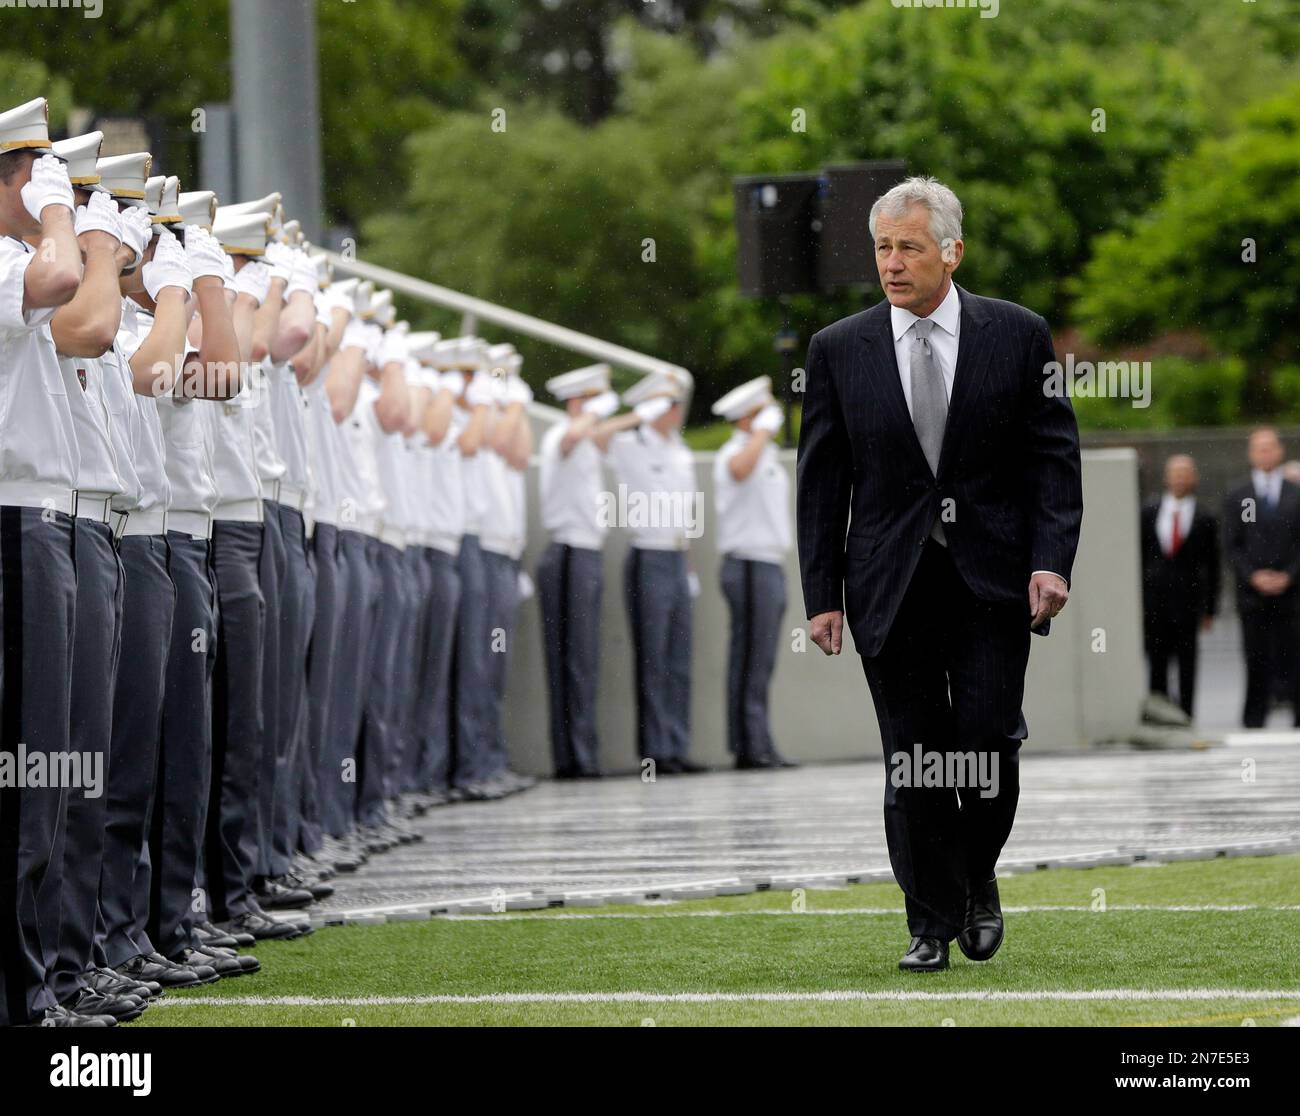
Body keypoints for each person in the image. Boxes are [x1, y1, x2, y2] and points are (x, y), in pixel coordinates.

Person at [796, 176, 1082, 972]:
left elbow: (1054, 460)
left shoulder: (1019, 336)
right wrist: (822, 596)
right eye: (883, 247)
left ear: (952, 252)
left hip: (992, 581)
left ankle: (977, 875)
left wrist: (1051, 561)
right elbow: (822, 482)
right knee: (912, 757)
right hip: (889, 584)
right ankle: (929, 923)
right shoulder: (837, 348)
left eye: (909, 247)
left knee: (988, 743)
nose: (892, 263)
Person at [0, 97, 95, 1026]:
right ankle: (25, 993)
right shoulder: (9, 261)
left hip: (39, 522)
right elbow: (67, 281)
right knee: (30, 768)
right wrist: (60, 212)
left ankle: (38, 979)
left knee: (46, 767)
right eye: (31, 180)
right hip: (13, 524)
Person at [607, 368, 704, 775]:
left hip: (676, 557)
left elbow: (685, 513)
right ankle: (654, 751)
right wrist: (639, 415)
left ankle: (676, 745)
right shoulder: (628, 443)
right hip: (647, 557)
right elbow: (595, 435)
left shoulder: (678, 449)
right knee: (653, 658)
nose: (676, 411)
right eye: (668, 404)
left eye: (676, 403)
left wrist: (690, 565)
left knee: (678, 659)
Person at [537, 363, 631, 778]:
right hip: (569, 553)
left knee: (584, 659)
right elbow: (576, 434)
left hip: (584, 553)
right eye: (594, 400)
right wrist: (594, 410)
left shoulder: (589, 439)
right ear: (578, 402)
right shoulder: (563, 432)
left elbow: (600, 435)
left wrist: (637, 412)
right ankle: (574, 757)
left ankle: (580, 753)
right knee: (572, 661)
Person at [711, 375, 797, 770]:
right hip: (746, 564)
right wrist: (761, 432)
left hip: (767, 563)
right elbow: (740, 469)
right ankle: (750, 746)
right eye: (760, 414)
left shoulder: (762, 456)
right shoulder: (735, 452)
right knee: (748, 658)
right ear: (746, 419)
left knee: (760, 660)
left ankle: (756, 740)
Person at [1223, 427, 1300, 728]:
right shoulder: (1239, 495)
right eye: (1259, 448)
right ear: (1251, 453)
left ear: (1280, 451)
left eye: (1270, 447)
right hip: (1253, 595)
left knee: (1294, 656)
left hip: (1292, 593)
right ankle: (1254, 720)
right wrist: (1254, 576)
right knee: (1255, 657)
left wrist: (1288, 576)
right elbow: (1232, 544)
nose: (1265, 453)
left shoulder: (1295, 493)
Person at [1140, 454, 1220, 718]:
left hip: (1188, 602)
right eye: (1175, 472)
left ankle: (1186, 715)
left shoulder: (1205, 516)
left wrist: (1210, 609)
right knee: (1156, 661)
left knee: (1188, 662)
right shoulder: (1148, 511)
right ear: (1166, 477)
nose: (1180, 477)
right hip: (1154, 603)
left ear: (1194, 477)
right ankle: (1160, 714)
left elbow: (1213, 565)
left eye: (1185, 472)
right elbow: (1139, 557)